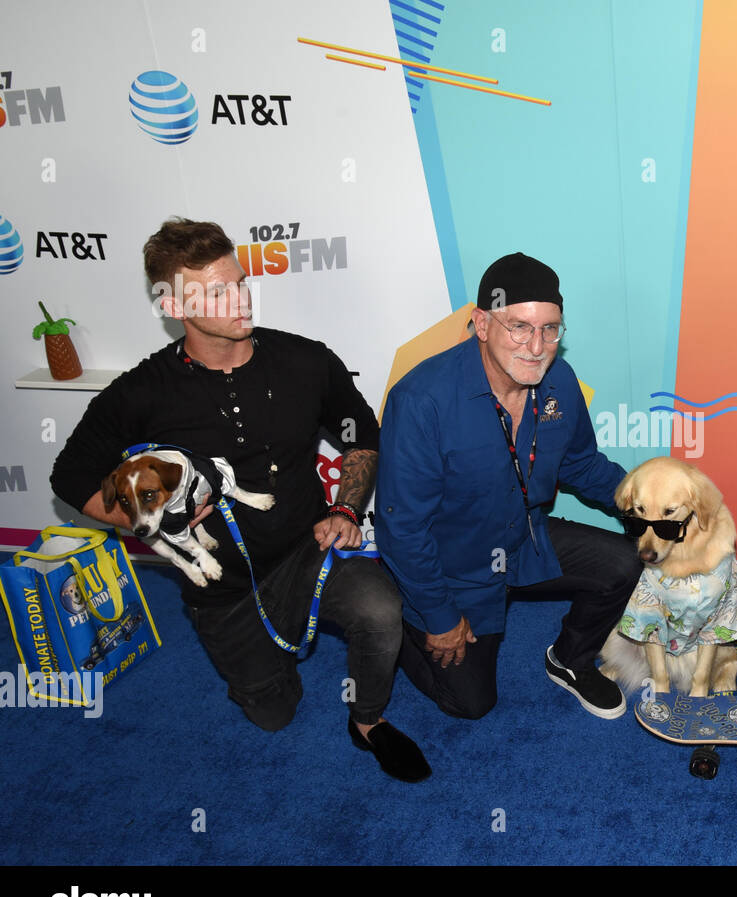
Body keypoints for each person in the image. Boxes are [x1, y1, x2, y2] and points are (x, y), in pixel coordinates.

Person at [49, 218, 431, 783]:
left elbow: (361, 434)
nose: (239, 299)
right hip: (219, 584)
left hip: (307, 551)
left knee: (381, 610)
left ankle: (368, 720)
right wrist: (151, 525)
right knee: (274, 713)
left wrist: (347, 508)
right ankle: (262, 665)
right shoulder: (142, 390)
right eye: (214, 292)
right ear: (174, 306)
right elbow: (70, 476)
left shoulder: (305, 360)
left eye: (239, 282)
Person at [375, 252, 641, 721]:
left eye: (549, 329)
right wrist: (438, 618)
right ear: (481, 324)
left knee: (625, 561)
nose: (537, 346)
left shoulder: (559, 379)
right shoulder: (421, 400)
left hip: (525, 536)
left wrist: (650, 506)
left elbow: (580, 463)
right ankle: (399, 623)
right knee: (471, 704)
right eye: (518, 326)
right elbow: (404, 528)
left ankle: (570, 660)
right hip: (454, 561)